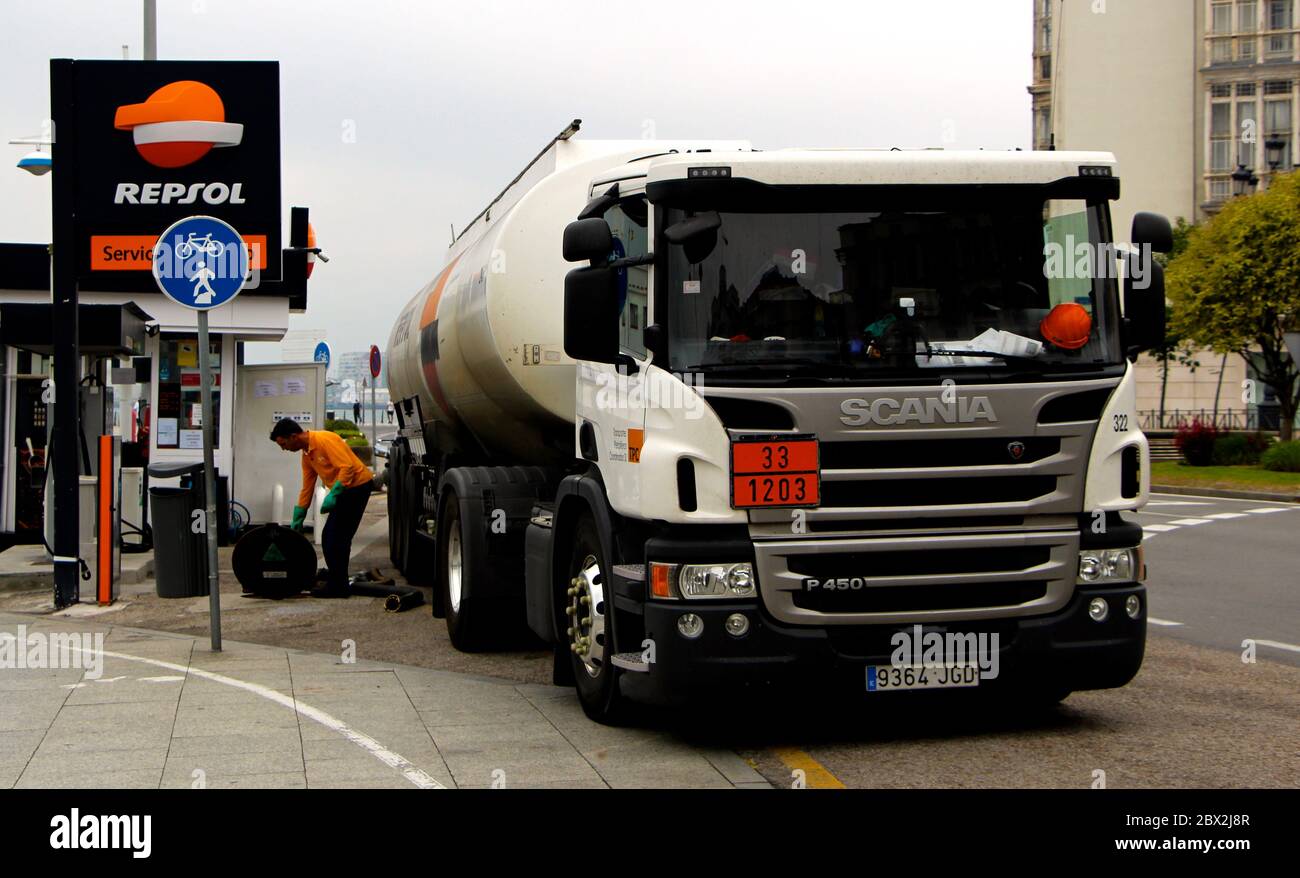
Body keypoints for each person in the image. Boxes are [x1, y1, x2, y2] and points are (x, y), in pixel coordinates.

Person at [270, 418, 374, 598]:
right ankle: (337, 581)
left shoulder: (325, 439)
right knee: (330, 537)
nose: (284, 448)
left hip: (357, 487)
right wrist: (299, 514)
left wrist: (334, 493)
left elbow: (347, 467)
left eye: (283, 443)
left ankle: (338, 586)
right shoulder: (307, 455)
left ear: (293, 436)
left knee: (336, 537)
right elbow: (307, 486)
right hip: (344, 491)